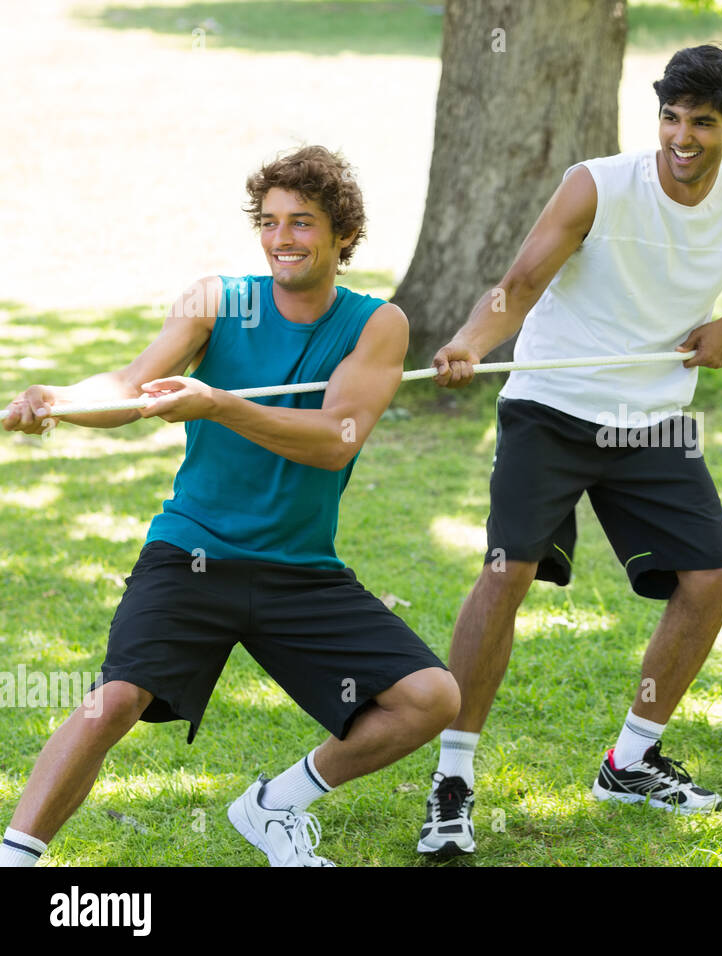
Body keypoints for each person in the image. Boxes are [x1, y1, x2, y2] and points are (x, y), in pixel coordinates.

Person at [0, 146, 459, 868]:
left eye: (303, 223)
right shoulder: (215, 300)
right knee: (115, 698)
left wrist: (217, 403)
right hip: (193, 549)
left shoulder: (378, 325)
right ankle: (15, 861)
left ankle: (274, 806)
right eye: (271, 222)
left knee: (431, 698)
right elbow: (131, 386)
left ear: (343, 235)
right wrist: (55, 401)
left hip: (299, 567)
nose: (283, 239)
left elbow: (334, 441)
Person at [419, 44, 722, 857]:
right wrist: (466, 339)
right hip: (553, 408)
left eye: (702, 122)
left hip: (655, 420)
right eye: (671, 116)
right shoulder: (597, 184)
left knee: (712, 576)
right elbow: (520, 284)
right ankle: (453, 777)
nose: (683, 136)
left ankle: (630, 760)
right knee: (507, 572)